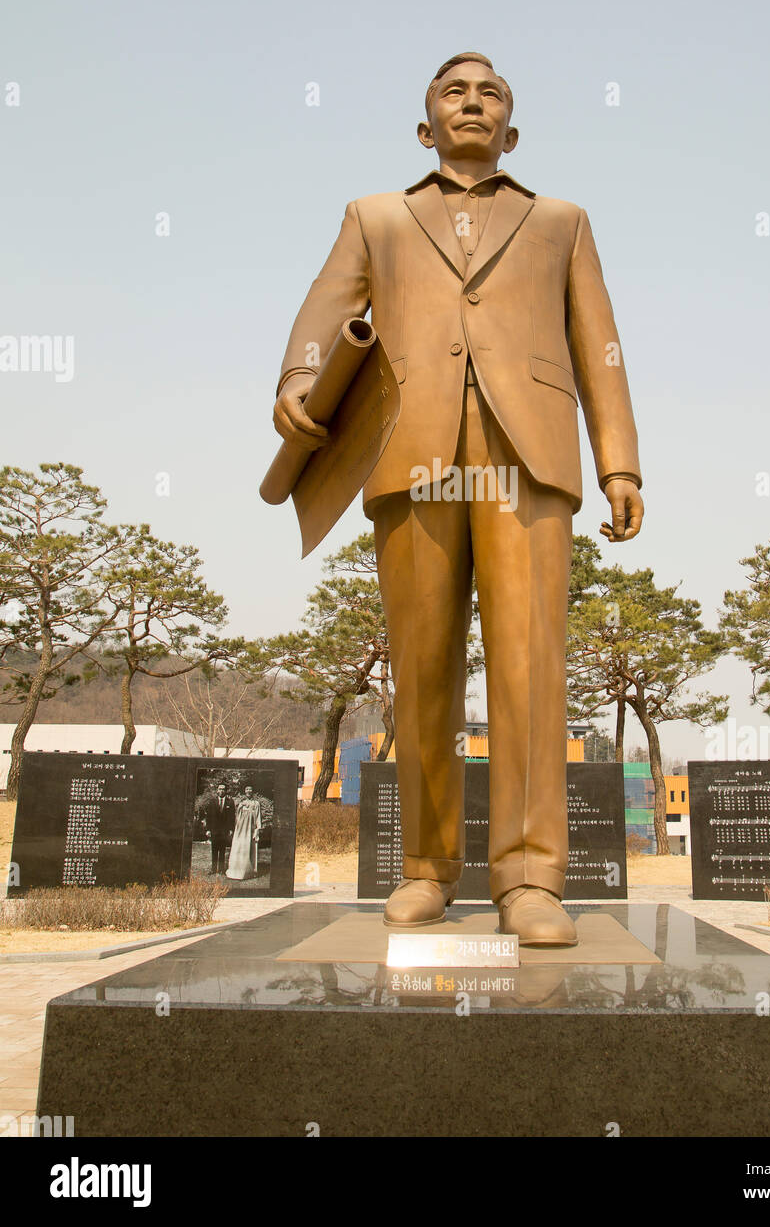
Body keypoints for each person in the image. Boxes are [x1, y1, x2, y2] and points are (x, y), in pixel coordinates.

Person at [273, 53, 643, 945]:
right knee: (422, 664)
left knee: (530, 668)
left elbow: (600, 342)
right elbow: (328, 303)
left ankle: (530, 880)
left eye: (491, 94)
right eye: (453, 91)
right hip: (412, 450)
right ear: (425, 125)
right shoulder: (375, 217)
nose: (471, 101)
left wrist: (619, 461)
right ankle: (426, 870)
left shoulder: (561, 222)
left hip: (530, 458)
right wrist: (299, 375)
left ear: (511, 131)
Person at [226, 786, 263, 881]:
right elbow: (237, 817)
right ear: (244, 791)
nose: (249, 791)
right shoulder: (241, 803)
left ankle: (248, 871)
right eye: (247, 789)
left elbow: (258, 816)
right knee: (239, 846)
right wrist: (241, 807)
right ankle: (236, 870)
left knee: (248, 848)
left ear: (253, 791)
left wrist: (258, 828)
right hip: (241, 829)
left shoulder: (256, 803)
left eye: (250, 789)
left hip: (250, 829)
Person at [202, 782, 236, 875]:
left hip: (224, 831)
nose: (221, 791)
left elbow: (232, 817)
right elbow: (208, 817)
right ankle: (213, 869)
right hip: (214, 830)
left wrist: (231, 829)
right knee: (214, 850)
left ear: (226, 791)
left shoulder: (230, 802)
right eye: (220, 789)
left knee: (222, 850)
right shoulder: (212, 801)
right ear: (217, 790)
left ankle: (221, 870)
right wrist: (208, 830)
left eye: (223, 789)